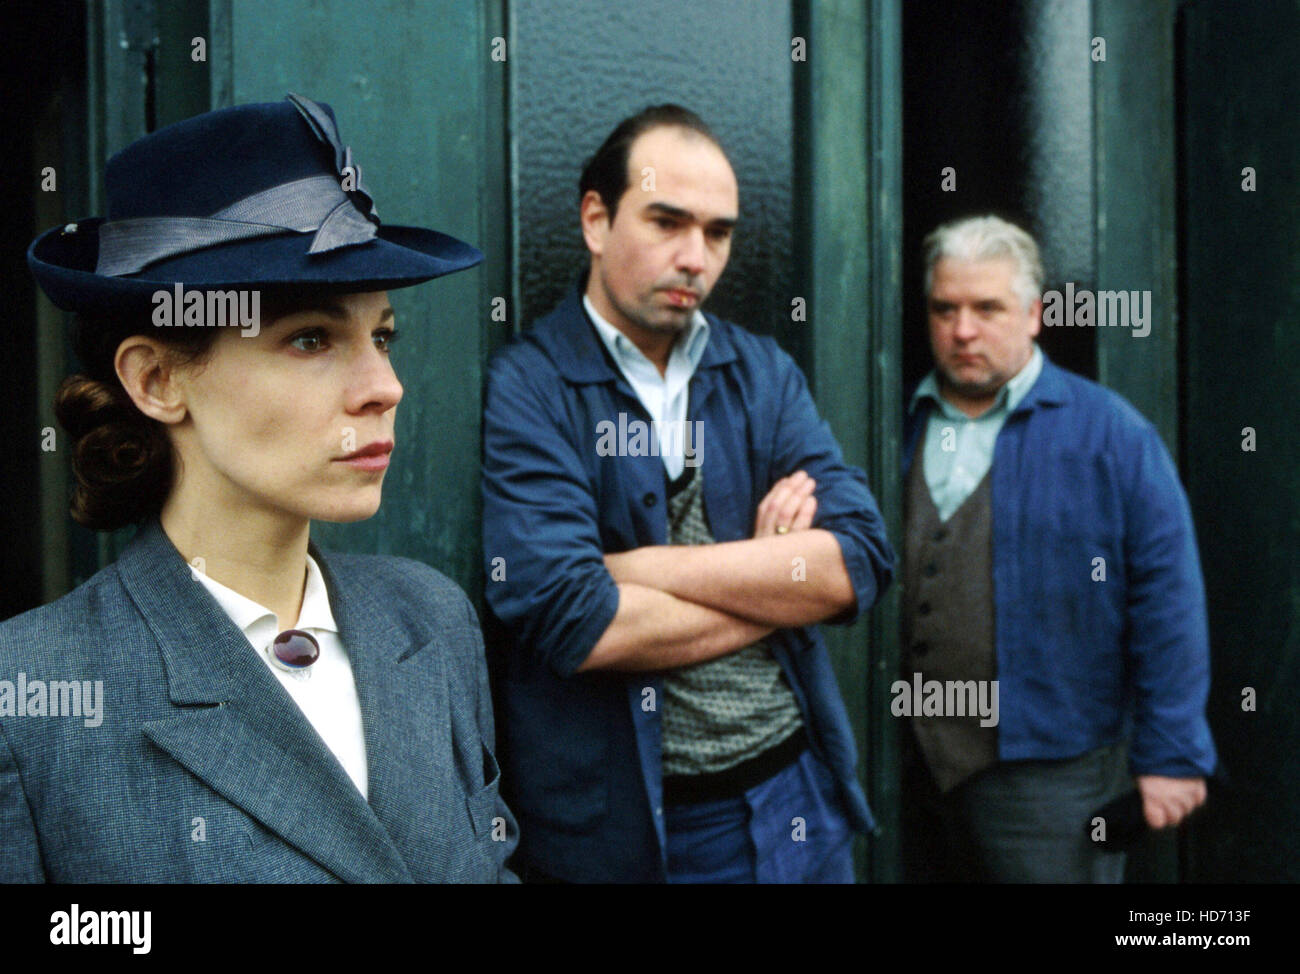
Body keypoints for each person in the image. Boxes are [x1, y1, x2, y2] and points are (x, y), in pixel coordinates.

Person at [0, 94, 517, 882]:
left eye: (381, 337)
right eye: (311, 338)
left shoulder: (431, 617)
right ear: (157, 380)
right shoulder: (32, 692)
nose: (385, 387)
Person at [481, 105, 895, 883]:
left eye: (717, 232)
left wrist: (634, 570)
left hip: (797, 796)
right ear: (596, 220)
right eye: (667, 223)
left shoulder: (760, 370)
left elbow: (861, 559)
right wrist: (775, 581)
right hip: (648, 833)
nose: (695, 257)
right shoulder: (532, 385)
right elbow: (576, 621)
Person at [899, 214, 1215, 882]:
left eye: (988, 308)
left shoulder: (1113, 435)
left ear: (1035, 314)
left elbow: (1169, 599)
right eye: (945, 308)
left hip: (1051, 779)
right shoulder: (890, 422)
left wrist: (1173, 754)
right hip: (900, 768)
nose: (962, 330)